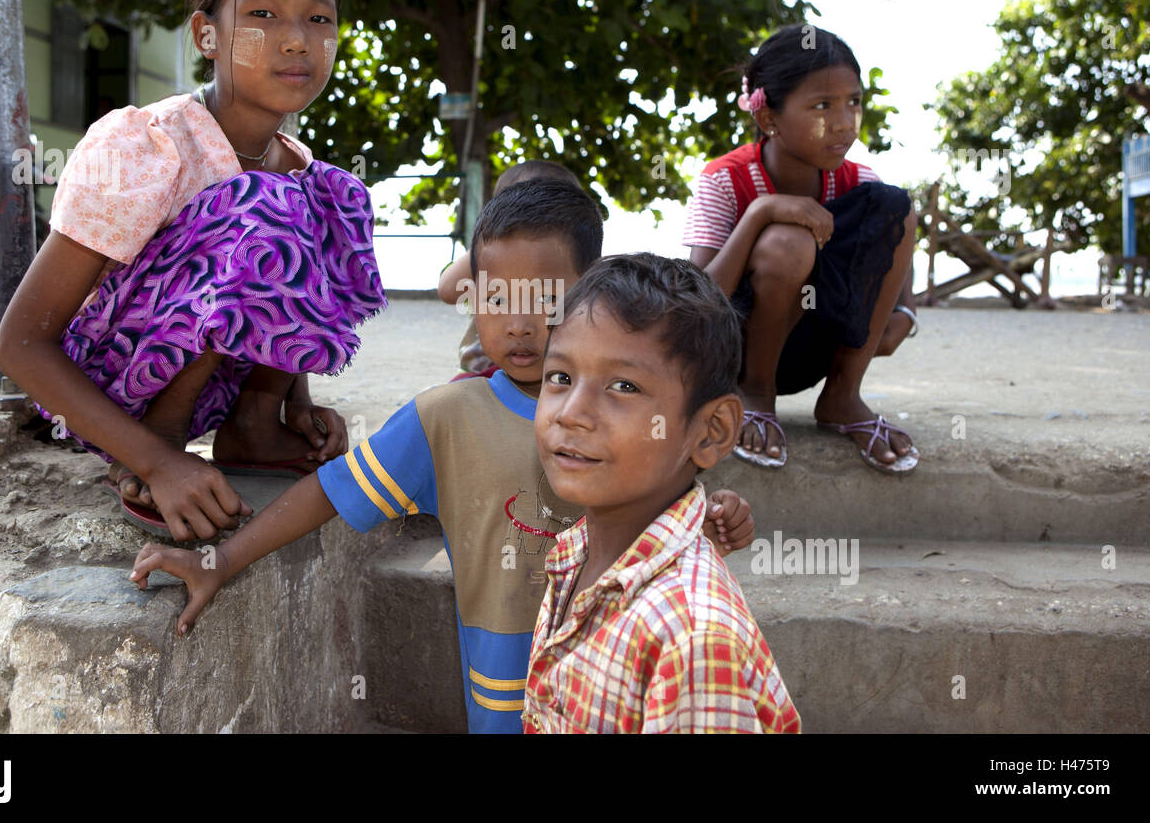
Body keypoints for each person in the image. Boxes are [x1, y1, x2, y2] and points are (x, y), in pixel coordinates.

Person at [130, 180, 757, 733]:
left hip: (625, 690)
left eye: (545, 300)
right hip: (505, 699)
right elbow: (331, 490)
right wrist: (222, 559)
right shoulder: (448, 419)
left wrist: (712, 510)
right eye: (496, 298)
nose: (518, 325)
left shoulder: (629, 424)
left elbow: (666, 513)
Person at [0, 0, 385, 541]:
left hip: (215, 381)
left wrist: (296, 397)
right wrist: (160, 461)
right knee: (267, 202)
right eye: (263, 14)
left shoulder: (302, 172)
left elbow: (270, 280)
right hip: (110, 383)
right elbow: (19, 343)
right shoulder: (147, 145)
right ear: (207, 35)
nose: (296, 39)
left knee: (330, 195)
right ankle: (158, 440)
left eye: (319, 19)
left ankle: (252, 426)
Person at [522, 253, 801, 733]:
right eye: (561, 377)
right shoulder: (581, 549)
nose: (571, 412)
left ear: (712, 432)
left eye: (624, 386)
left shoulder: (693, 640)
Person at [684, 25, 919, 474]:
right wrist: (761, 214)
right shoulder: (724, 180)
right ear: (769, 119)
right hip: (734, 350)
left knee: (898, 206)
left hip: (819, 344)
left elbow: (895, 275)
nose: (845, 122)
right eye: (822, 106)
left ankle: (842, 397)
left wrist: (904, 317)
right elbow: (695, 303)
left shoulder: (860, 185)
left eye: (854, 102)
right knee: (787, 239)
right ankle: (756, 394)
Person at [438, 160, 585, 376]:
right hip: (481, 370)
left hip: (550, 367)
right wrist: (486, 244)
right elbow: (448, 290)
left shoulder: (571, 255)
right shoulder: (489, 250)